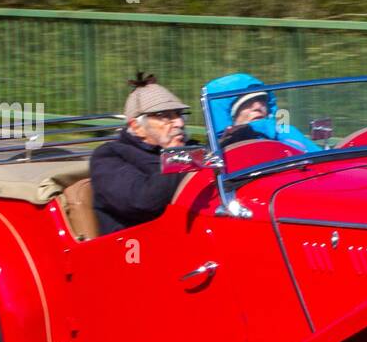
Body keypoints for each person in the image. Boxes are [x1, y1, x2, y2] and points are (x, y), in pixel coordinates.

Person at [90, 73, 192, 233]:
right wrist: (176, 155)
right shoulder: (109, 156)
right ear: (137, 126)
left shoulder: (187, 147)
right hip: (137, 247)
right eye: (165, 116)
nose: (179, 123)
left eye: (178, 114)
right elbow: (143, 201)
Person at [205, 73, 321, 153]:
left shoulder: (283, 131)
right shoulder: (218, 153)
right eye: (247, 103)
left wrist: (258, 128)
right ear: (230, 115)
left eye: (262, 100)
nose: (258, 106)